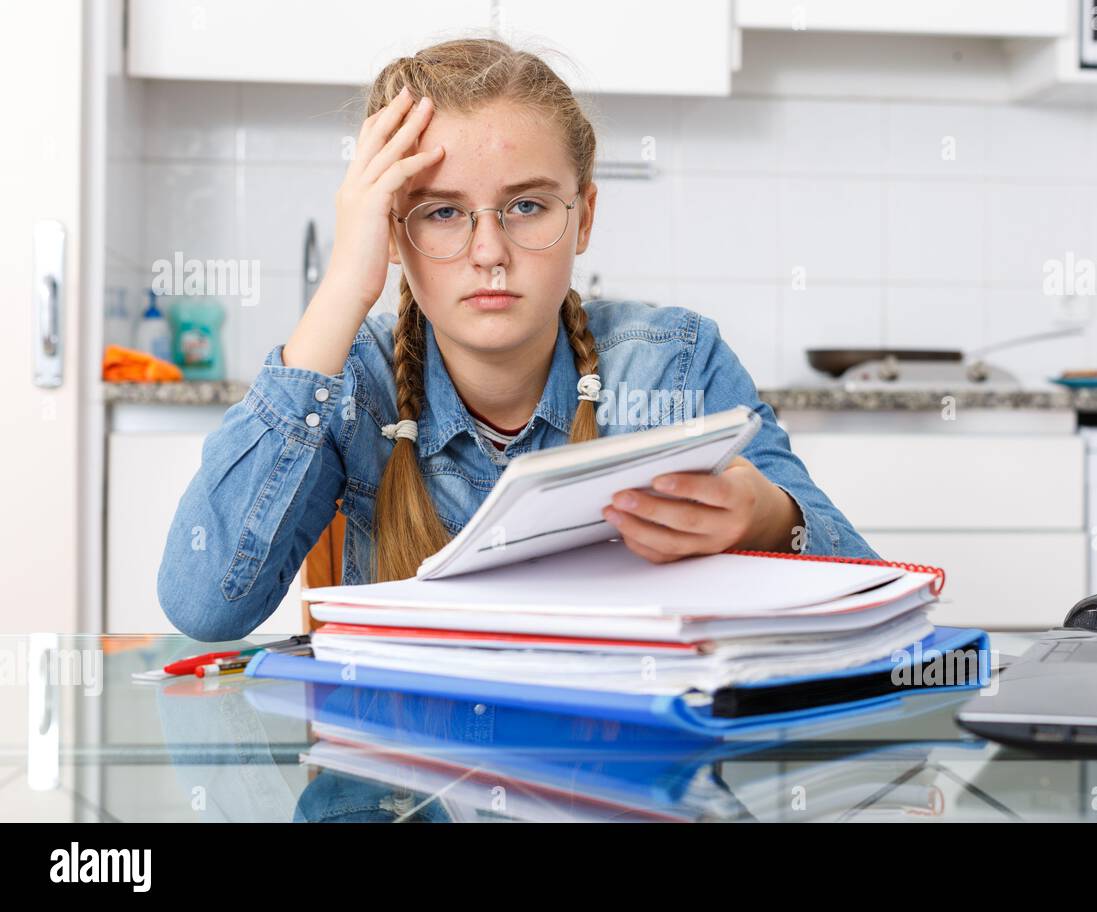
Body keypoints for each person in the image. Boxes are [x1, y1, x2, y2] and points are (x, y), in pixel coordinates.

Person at [158, 37, 878, 643]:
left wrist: (768, 516)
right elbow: (205, 607)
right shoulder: (352, 382)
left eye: (527, 206)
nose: (489, 251)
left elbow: (864, 594)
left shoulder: (674, 363)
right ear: (390, 230)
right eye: (442, 213)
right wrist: (345, 284)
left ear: (584, 214)